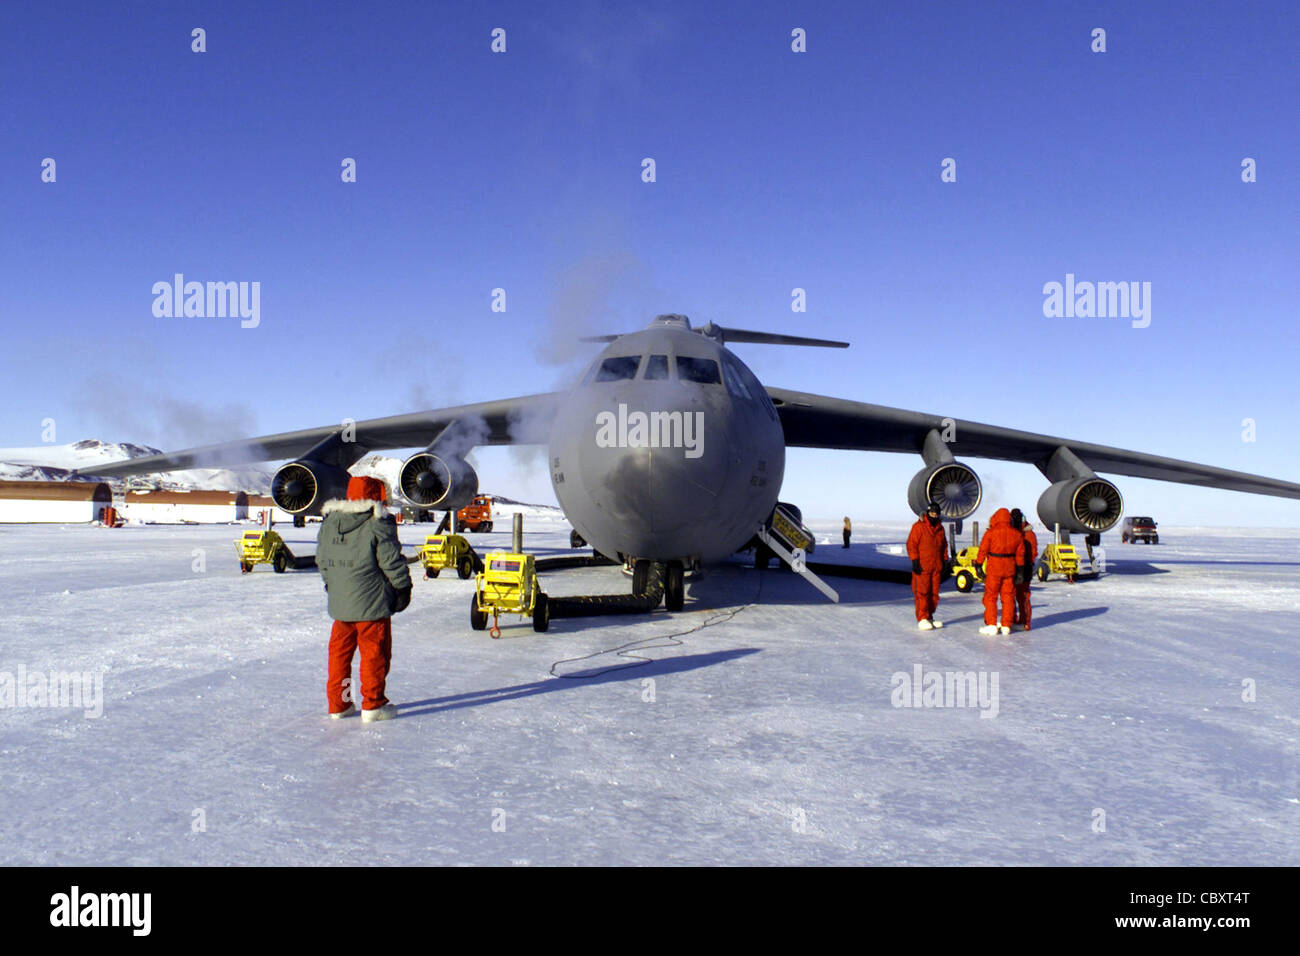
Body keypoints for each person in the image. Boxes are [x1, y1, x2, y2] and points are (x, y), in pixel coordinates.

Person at [316, 476, 412, 722]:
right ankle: (373, 704)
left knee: (340, 655)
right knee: (374, 655)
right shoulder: (377, 522)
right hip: (372, 604)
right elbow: (390, 561)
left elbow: (322, 559)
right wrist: (402, 587)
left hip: (340, 604)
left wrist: (331, 584)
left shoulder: (329, 522)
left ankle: (340, 704)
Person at [975, 507, 1024, 636]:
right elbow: (1020, 555)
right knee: (1008, 597)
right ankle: (1006, 625)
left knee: (991, 596)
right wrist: (1020, 571)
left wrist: (979, 564)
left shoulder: (990, 533)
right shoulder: (1017, 534)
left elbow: (983, 550)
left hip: (994, 568)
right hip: (1010, 568)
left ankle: (991, 624)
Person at [906, 502, 948, 631]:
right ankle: (922, 617)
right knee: (922, 592)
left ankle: (929, 616)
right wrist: (915, 561)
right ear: (927, 513)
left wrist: (945, 560)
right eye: (932, 513)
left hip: (936, 566)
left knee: (934, 593)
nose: (934, 515)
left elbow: (943, 546)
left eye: (936, 513)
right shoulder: (918, 527)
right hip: (923, 566)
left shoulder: (940, 529)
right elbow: (911, 544)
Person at [1012, 509, 1038, 631]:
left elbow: (1032, 553)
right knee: (1013, 595)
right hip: (1016, 567)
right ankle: (1014, 619)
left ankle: (1025, 621)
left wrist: (1024, 566)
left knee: (1023, 596)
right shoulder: (1016, 533)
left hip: (1024, 568)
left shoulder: (1028, 535)